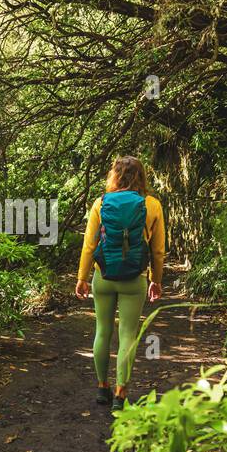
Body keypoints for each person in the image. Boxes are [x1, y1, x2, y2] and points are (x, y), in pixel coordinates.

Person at [74, 156, 165, 411]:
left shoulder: (100, 203)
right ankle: (120, 393)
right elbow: (158, 252)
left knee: (102, 331)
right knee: (127, 335)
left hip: (103, 276)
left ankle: (102, 386)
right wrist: (156, 281)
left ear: (114, 175)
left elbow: (89, 245)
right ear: (142, 176)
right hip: (135, 279)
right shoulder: (152, 205)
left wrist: (81, 278)